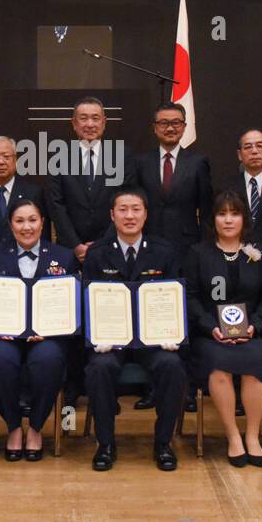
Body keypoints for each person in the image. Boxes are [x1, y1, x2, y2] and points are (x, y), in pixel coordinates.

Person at [81, 187, 185, 472]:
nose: (130, 216)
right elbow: (86, 301)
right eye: (123, 210)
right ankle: (105, 443)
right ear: (112, 215)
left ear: (146, 215)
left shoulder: (164, 251)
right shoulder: (97, 254)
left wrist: (171, 332)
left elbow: (175, 296)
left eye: (136, 209)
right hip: (111, 341)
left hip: (153, 341)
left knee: (172, 365)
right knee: (99, 368)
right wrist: (96, 335)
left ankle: (163, 442)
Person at [0, 200, 78, 461]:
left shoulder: (64, 256)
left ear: (42, 223)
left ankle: (35, 427)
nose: (27, 227)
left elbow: (71, 305)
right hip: (5, 335)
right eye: (19, 221)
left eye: (33, 220)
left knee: (48, 358)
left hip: (48, 336)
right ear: (11, 225)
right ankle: (13, 427)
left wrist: (51, 328)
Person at [184, 190, 262, 467]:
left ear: (243, 218)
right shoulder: (198, 253)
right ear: (213, 220)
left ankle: (252, 436)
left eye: (234, 213)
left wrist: (254, 326)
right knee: (218, 364)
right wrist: (211, 327)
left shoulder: (259, 253)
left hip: (251, 335)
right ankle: (233, 436)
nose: (228, 220)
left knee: (255, 361)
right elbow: (191, 297)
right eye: (222, 214)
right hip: (210, 336)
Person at [45, 96, 136, 262]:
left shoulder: (122, 156)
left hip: (112, 247)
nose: (90, 124)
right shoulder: (58, 158)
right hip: (70, 250)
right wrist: (75, 245)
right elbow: (56, 205)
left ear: (104, 122)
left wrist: (102, 244)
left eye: (95, 118)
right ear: (74, 123)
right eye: (83, 118)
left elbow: (126, 202)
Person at [135, 101, 213, 255]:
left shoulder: (198, 163)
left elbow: (206, 210)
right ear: (155, 127)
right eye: (164, 123)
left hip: (187, 244)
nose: (170, 128)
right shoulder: (141, 162)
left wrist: (205, 247)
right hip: (148, 242)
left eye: (176, 123)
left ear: (184, 127)